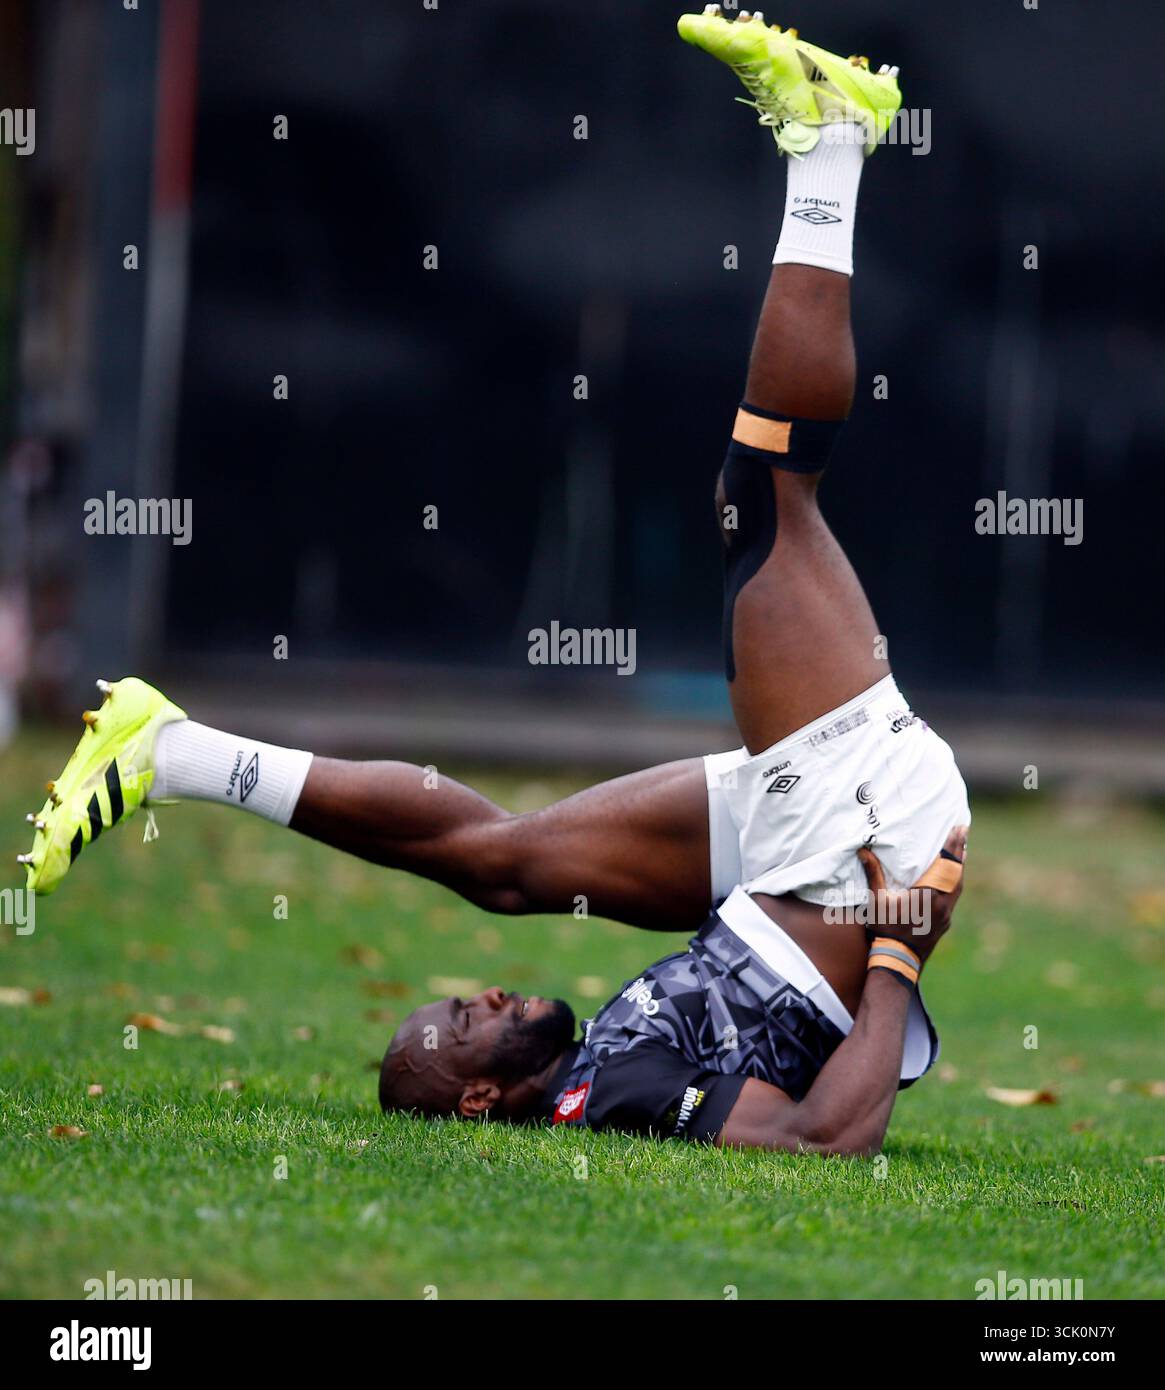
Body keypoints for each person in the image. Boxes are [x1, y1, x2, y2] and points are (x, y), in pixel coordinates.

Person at [20, 10, 969, 1154]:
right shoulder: (618, 1096)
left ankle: (165, 750)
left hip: (782, 868)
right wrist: (897, 954)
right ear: (480, 1100)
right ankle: (831, 142)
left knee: (503, 863)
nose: (472, 997)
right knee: (761, 496)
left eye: (455, 1006)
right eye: (456, 1027)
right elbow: (827, 1141)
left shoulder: (589, 1072)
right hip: (860, 836)